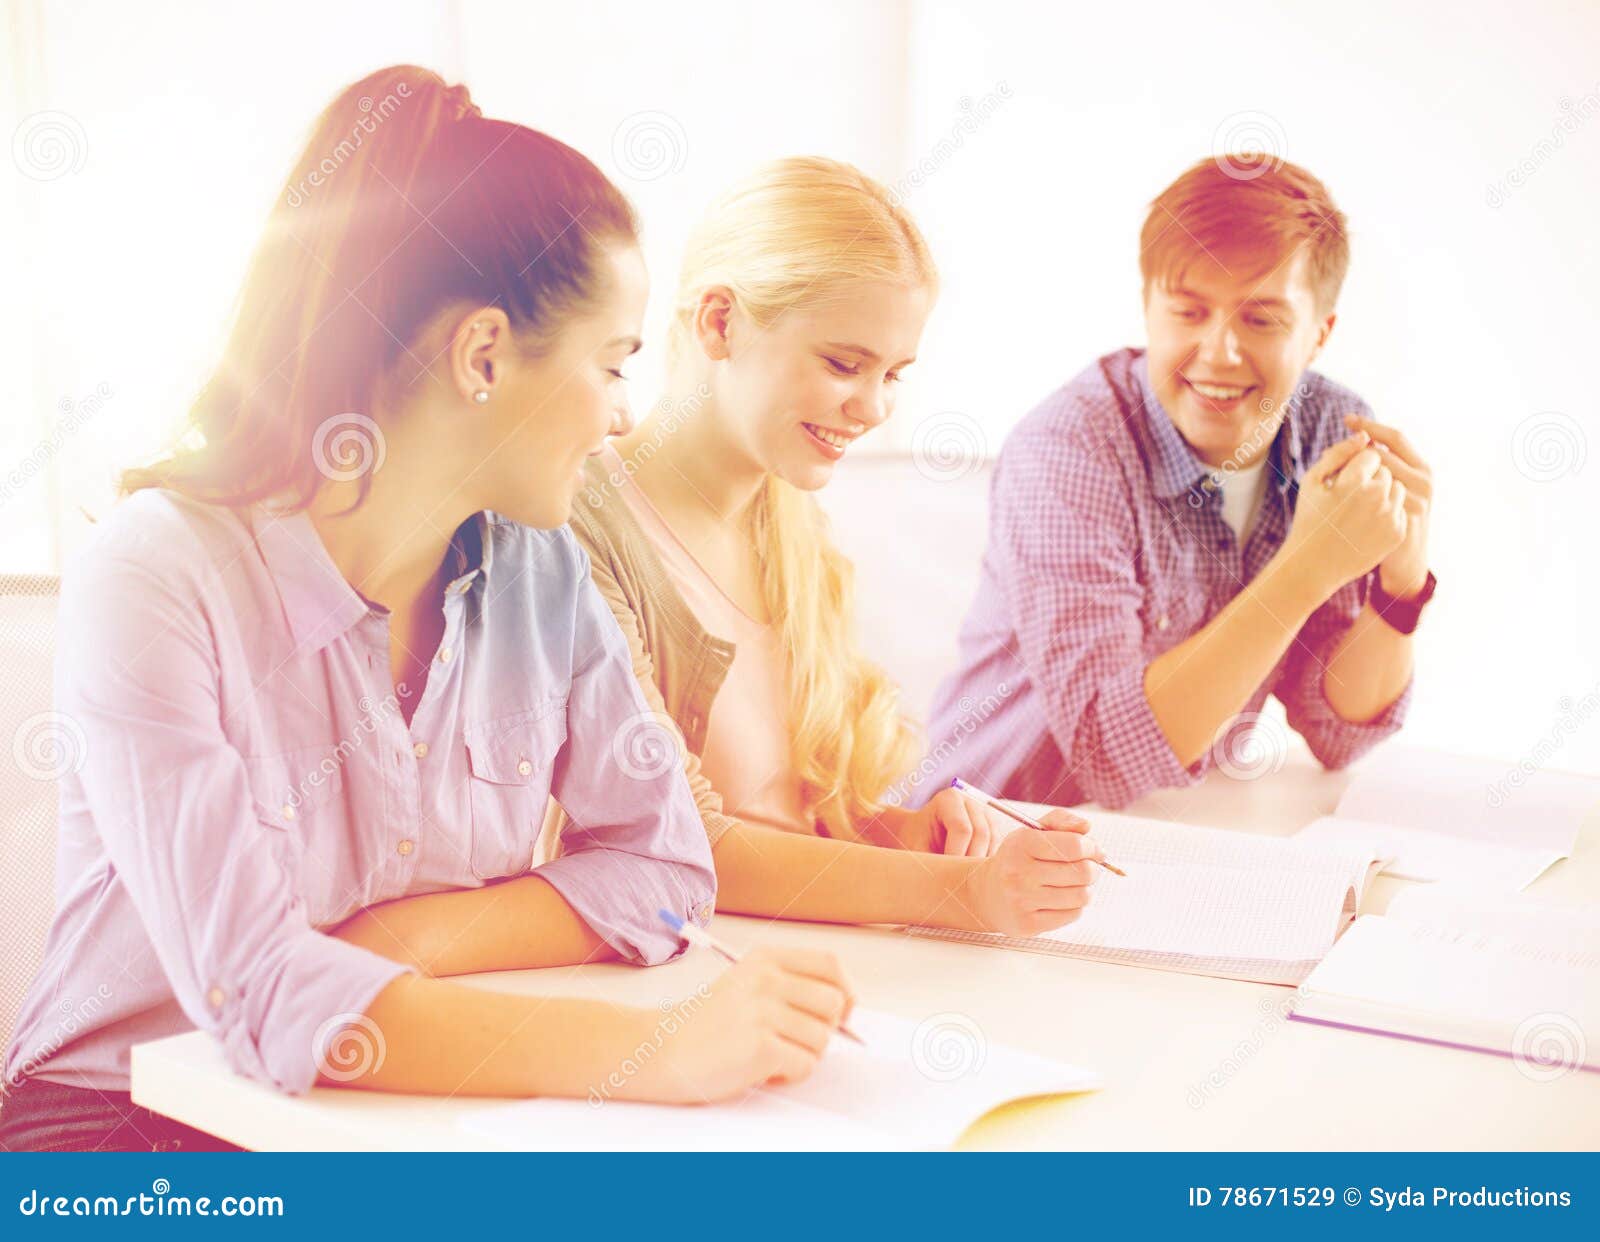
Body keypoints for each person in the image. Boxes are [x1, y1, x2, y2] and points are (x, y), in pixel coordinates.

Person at [0, 68, 851, 1153]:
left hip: (407, 1109)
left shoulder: (540, 571)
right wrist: (653, 1054)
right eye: (610, 364)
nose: (624, 417)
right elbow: (258, 994)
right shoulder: (158, 575)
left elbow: (663, 867)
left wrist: (398, 941)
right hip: (127, 1125)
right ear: (483, 354)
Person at [563, 157, 1106, 934]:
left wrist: (915, 838)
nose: (875, 406)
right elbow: (684, 842)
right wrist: (958, 895)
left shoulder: (786, 512)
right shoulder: (578, 527)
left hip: (804, 957)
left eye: (895, 373)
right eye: (844, 364)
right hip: (684, 973)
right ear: (719, 323)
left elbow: (797, 818)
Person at [923, 154, 1434, 810]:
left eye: (1261, 320)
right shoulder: (1068, 451)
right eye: (1189, 313)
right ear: (1147, 308)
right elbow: (1110, 756)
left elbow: (1338, 730)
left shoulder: (1329, 429)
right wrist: (1309, 566)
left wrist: (1402, 583)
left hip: (1173, 835)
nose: (1218, 352)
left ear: (1318, 335)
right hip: (989, 832)